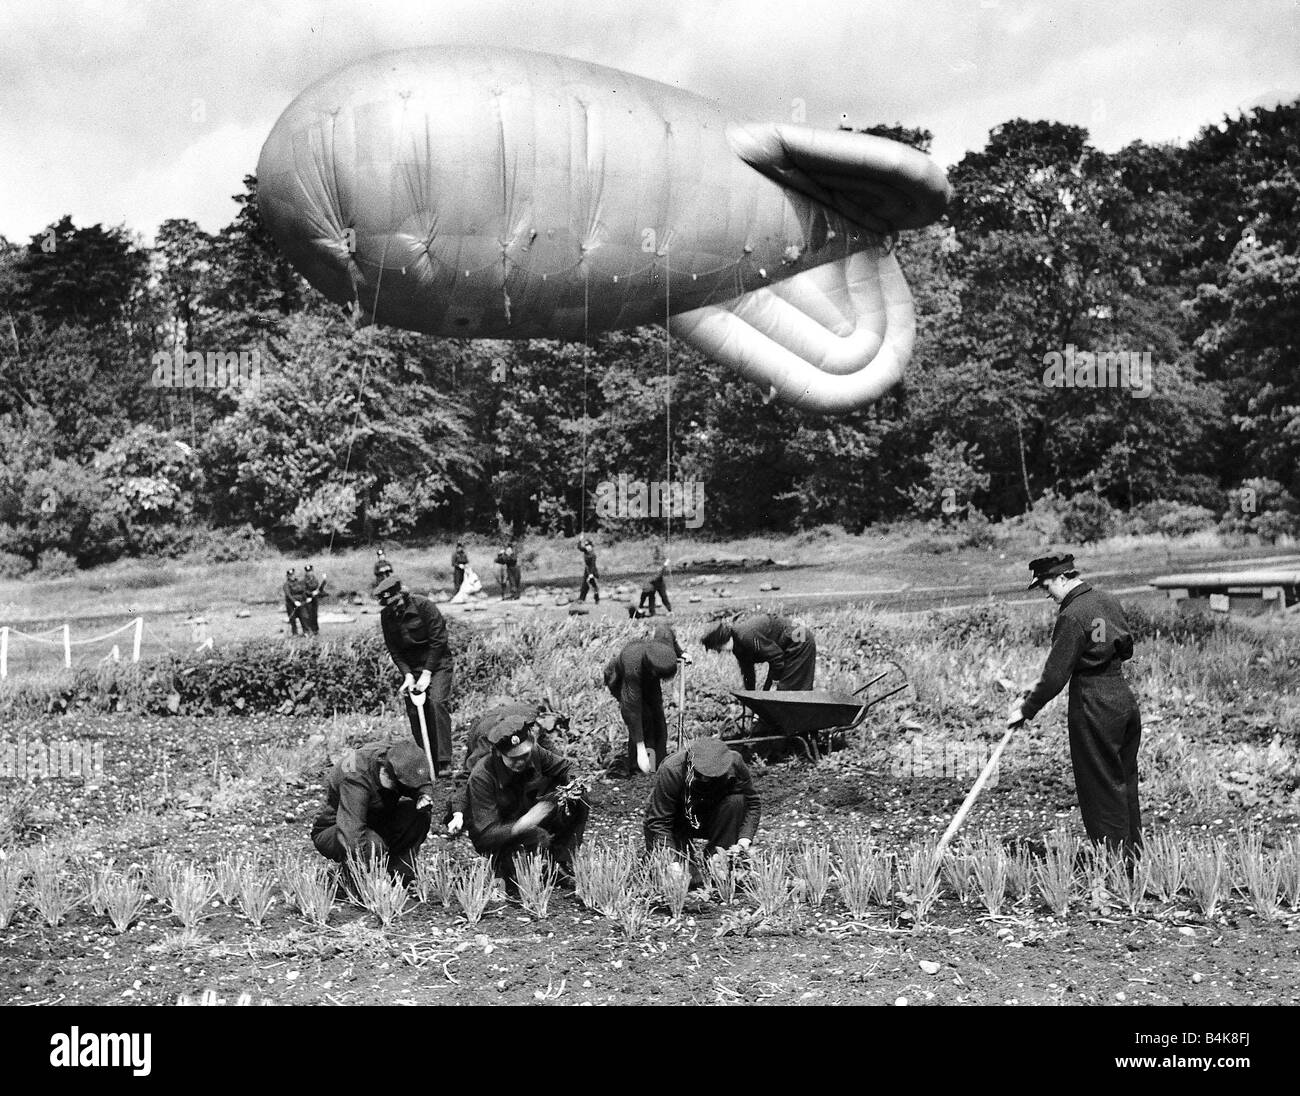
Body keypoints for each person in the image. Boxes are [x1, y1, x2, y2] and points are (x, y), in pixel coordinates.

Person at [1008, 554, 1143, 857]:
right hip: (1122, 699)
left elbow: (1057, 675)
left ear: (1061, 578)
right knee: (1123, 780)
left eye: (1045, 585)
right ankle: (1132, 856)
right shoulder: (1107, 600)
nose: (1046, 593)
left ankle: (1115, 864)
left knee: (1100, 786)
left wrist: (1025, 710)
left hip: (1093, 703)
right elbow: (1125, 648)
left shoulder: (1071, 615)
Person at [465, 715, 588, 894]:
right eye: (514, 758)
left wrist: (573, 785)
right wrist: (524, 823)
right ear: (499, 753)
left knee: (579, 800)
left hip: (530, 814)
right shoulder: (481, 777)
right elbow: (485, 835)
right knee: (519, 884)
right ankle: (503, 867)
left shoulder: (535, 752)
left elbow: (566, 767)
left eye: (524, 755)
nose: (521, 761)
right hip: (502, 835)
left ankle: (559, 863)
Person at [310, 739, 435, 885]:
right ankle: (343, 881)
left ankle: (400, 876)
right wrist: (371, 883)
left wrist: (422, 795)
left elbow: (420, 780)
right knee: (372, 844)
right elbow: (352, 835)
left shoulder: (398, 753)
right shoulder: (355, 777)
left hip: (376, 818)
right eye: (398, 785)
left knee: (417, 815)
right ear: (385, 773)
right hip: (336, 829)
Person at [445, 700, 570, 835]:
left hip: (516, 719)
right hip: (487, 729)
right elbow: (468, 777)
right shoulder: (491, 741)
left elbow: (556, 761)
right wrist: (458, 814)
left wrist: (569, 785)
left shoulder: (535, 728)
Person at [375, 576, 455, 775]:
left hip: (438, 664)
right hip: (413, 669)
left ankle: (444, 761)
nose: (394, 608)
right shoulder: (387, 616)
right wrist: (408, 675)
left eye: (396, 602)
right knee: (414, 710)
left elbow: (439, 641)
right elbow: (395, 651)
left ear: (402, 595)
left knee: (436, 703)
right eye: (388, 604)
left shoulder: (424, 606)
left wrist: (427, 673)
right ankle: (426, 759)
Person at [644, 737, 761, 865]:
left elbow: (752, 803)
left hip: (712, 816)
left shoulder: (734, 762)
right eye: (699, 774)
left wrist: (744, 840)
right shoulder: (672, 770)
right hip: (678, 821)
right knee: (687, 879)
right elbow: (659, 821)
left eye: (711, 776)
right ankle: (664, 858)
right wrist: (672, 863)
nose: (705, 779)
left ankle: (717, 859)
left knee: (737, 801)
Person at [700, 613, 816, 734]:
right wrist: (751, 701)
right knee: (767, 696)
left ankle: (796, 732)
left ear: (720, 642)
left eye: (717, 648)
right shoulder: (738, 645)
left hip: (800, 642)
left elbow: (776, 657)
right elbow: (748, 673)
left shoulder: (746, 636)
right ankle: (775, 729)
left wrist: (775, 683)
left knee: (788, 693)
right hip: (786, 647)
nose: (719, 652)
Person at [603, 633, 679, 777]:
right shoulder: (632, 663)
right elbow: (632, 710)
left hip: (649, 678)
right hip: (620, 680)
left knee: (658, 716)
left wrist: (682, 653)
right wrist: (640, 748)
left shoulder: (662, 649)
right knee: (644, 717)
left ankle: (660, 763)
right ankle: (639, 766)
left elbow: (667, 632)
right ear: (653, 670)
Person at [300, 563, 325, 635]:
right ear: (306, 572)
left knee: (315, 614)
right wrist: (310, 594)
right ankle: (309, 629)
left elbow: (318, 587)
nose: (309, 573)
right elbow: (303, 590)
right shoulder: (304, 580)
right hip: (308, 598)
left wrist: (323, 582)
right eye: (308, 572)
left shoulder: (315, 579)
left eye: (310, 571)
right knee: (309, 614)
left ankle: (315, 629)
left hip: (315, 598)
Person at [282, 567, 305, 636]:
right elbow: (288, 594)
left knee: (303, 617)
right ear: (288, 576)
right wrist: (294, 601)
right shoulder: (286, 584)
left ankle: (305, 632)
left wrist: (305, 599)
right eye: (290, 576)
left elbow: (303, 591)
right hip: (291, 604)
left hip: (300, 602)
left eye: (293, 575)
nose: (292, 577)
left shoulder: (299, 582)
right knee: (293, 619)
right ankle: (295, 633)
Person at [577, 539, 600, 604]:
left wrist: (591, 574)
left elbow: (593, 565)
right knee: (584, 585)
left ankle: (597, 599)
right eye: (586, 545)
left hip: (593, 571)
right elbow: (579, 547)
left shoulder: (593, 555)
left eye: (588, 545)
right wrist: (580, 540)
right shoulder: (585, 551)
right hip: (587, 570)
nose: (587, 547)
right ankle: (581, 598)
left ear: (591, 546)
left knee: (594, 586)